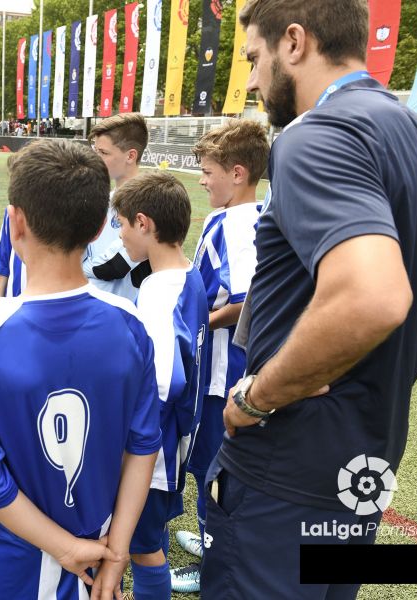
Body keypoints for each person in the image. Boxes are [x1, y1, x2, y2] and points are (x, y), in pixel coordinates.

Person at [201, 1, 417, 599]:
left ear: (295, 42)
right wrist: (373, 355)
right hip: (363, 465)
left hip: (286, 468)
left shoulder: (317, 134)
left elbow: (374, 297)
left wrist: (259, 397)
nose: (255, 80)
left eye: (255, 59)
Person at [0, 138, 161, 599]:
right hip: (101, 553)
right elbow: (143, 448)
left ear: (16, 221)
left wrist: (64, 549)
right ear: (96, 229)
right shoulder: (133, 326)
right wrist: (118, 551)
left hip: (10, 564)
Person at [169, 119, 269, 594]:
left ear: (237, 172)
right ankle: (213, 541)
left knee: (216, 468)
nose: (202, 180)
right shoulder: (257, 212)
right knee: (214, 467)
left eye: (207, 171)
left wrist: (195, 324)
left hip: (224, 376)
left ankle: (215, 560)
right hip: (229, 371)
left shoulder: (236, 221)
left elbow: (248, 300)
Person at [113, 171, 209, 600]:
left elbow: (164, 382)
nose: (119, 235)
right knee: (149, 536)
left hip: (153, 451)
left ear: (143, 222)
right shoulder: (189, 274)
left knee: (141, 545)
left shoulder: (158, 291)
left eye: (121, 224)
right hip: (177, 438)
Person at [85, 113, 152, 302]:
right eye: (95, 150)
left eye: (103, 153)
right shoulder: (107, 198)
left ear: (131, 156)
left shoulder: (146, 201)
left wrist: (72, 271)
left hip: (125, 313)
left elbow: (115, 266)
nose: (96, 159)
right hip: (96, 307)